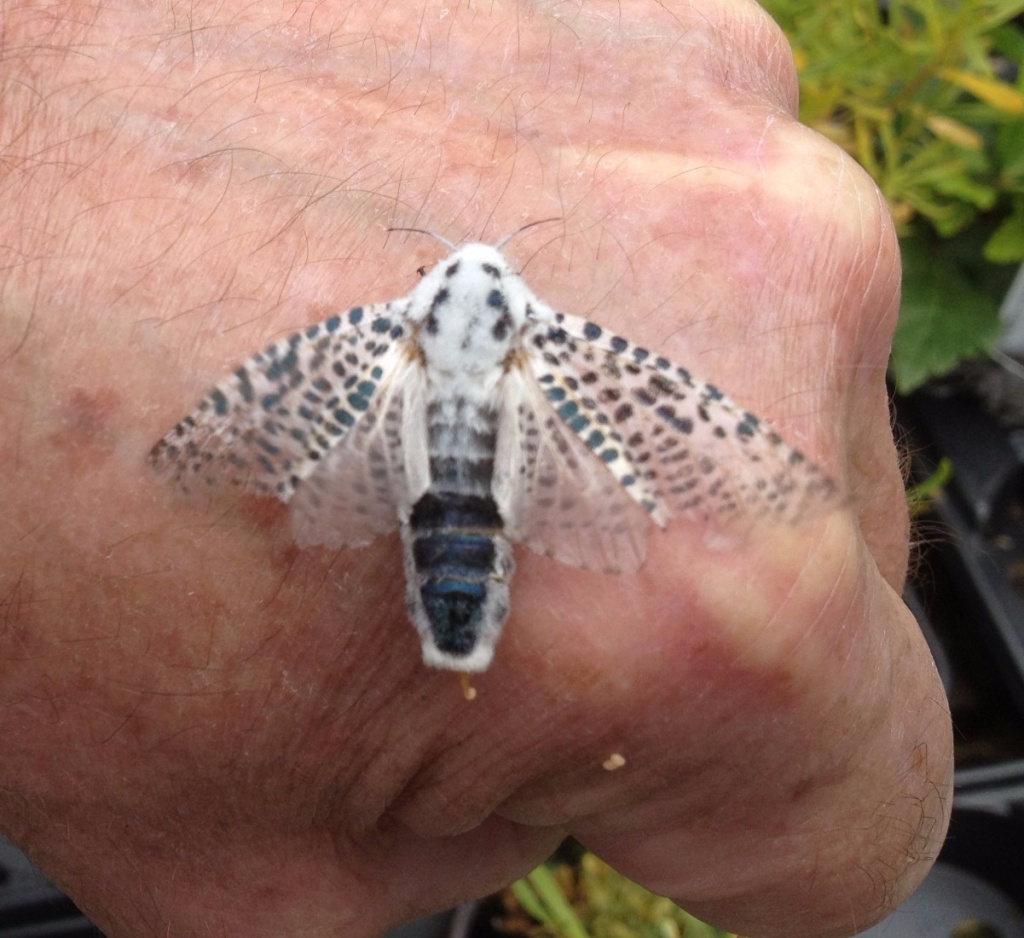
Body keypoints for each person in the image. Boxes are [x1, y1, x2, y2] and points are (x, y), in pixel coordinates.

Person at [0, 1, 952, 935]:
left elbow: (231, 435)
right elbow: (691, 434)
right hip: (491, 508)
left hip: (420, 498)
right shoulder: (557, 339)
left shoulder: (374, 334)